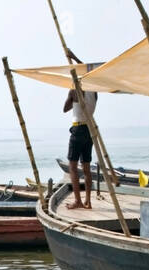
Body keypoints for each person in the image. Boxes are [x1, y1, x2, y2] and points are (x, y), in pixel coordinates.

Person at [63, 51, 98, 210]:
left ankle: (78, 200)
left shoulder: (75, 90)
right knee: (86, 167)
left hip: (78, 130)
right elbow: (86, 69)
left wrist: (71, 97)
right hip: (89, 130)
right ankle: (88, 201)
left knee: (72, 167)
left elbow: (65, 108)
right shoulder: (94, 91)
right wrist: (74, 57)